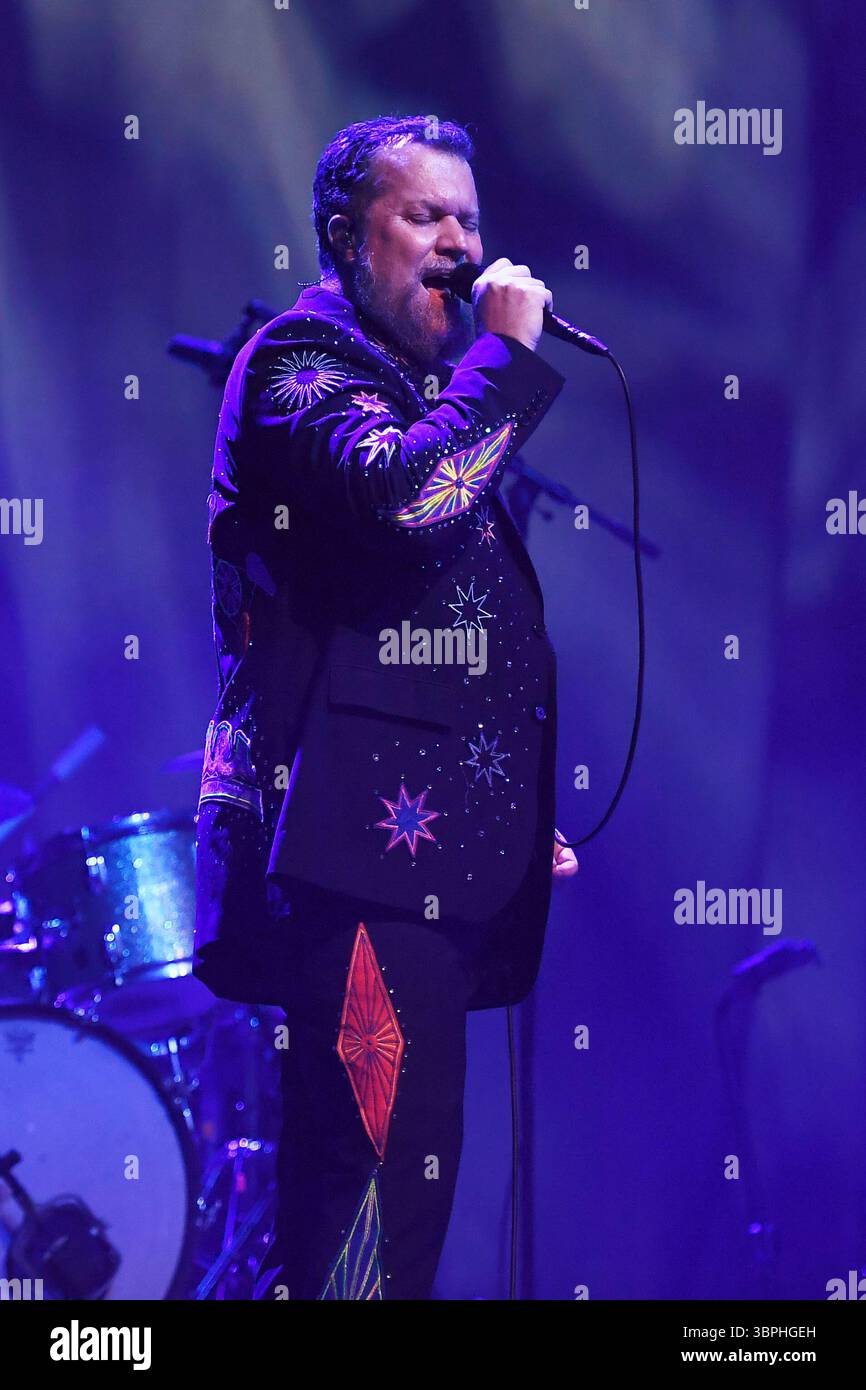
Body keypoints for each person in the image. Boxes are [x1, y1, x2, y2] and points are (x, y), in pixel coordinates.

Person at [193, 115, 577, 1301]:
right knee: (368, 1212)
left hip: (410, 871)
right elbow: (409, 505)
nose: (460, 245)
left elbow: (413, 633)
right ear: (344, 240)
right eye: (425, 217)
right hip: (350, 873)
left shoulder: (415, 388)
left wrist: (497, 804)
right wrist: (505, 364)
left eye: (468, 217)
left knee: (398, 1210)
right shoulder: (299, 366)